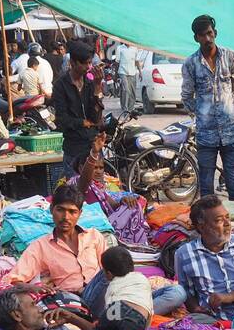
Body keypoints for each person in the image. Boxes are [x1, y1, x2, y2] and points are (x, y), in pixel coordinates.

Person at [7, 183, 111, 311]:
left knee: (114, 267)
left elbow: (109, 271)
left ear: (80, 213)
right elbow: (14, 280)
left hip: (99, 292)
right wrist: (35, 288)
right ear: (51, 210)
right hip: (70, 299)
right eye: (60, 210)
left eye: (72, 212)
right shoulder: (41, 246)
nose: (66, 217)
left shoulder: (94, 236)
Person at [181, 14, 234, 200]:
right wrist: (201, 113)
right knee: (207, 188)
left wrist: (228, 108)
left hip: (231, 132)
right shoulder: (191, 63)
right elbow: (186, 96)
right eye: (202, 35)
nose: (207, 39)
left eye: (209, 33)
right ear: (196, 38)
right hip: (206, 135)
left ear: (215, 33)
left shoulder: (230, 56)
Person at [52, 41, 105, 171]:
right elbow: (61, 119)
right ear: (73, 63)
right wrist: (82, 123)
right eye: (85, 63)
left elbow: (96, 117)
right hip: (74, 148)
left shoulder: (90, 83)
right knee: (75, 189)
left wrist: (98, 88)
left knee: (97, 188)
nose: (89, 67)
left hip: (93, 145)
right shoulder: (61, 85)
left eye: (90, 63)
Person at [115, 40, 139, 113]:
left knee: (132, 93)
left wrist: (140, 72)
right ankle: (125, 110)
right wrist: (115, 74)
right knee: (126, 90)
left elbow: (136, 61)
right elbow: (117, 62)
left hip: (132, 72)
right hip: (122, 72)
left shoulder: (135, 49)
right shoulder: (120, 48)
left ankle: (130, 109)